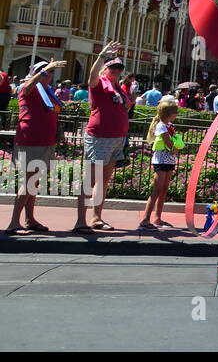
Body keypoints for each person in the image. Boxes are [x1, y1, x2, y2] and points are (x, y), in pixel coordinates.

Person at [4, 59, 65, 234]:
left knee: (34, 182)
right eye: (45, 71)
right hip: (32, 139)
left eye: (51, 72)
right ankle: (14, 223)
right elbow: (30, 85)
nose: (49, 75)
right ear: (36, 73)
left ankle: (30, 219)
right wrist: (44, 71)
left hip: (45, 140)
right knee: (29, 181)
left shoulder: (47, 91)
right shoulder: (28, 87)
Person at [75, 42, 130, 233]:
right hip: (100, 137)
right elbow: (91, 77)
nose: (116, 70)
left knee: (104, 181)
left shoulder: (119, 89)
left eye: (119, 67)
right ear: (105, 68)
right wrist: (101, 56)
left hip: (116, 138)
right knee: (90, 179)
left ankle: (96, 218)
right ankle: (80, 221)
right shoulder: (99, 84)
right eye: (112, 66)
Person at [139, 99, 183, 229]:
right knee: (157, 190)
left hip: (169, 160)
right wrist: (175, 148)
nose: (176, 114)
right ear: (169, 114)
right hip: (161, 160)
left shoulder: (169, 125)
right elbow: (168, 142)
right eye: (175, 112)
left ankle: (157, 218)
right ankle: (145, 220)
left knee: (164, 189)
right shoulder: (161, 126)